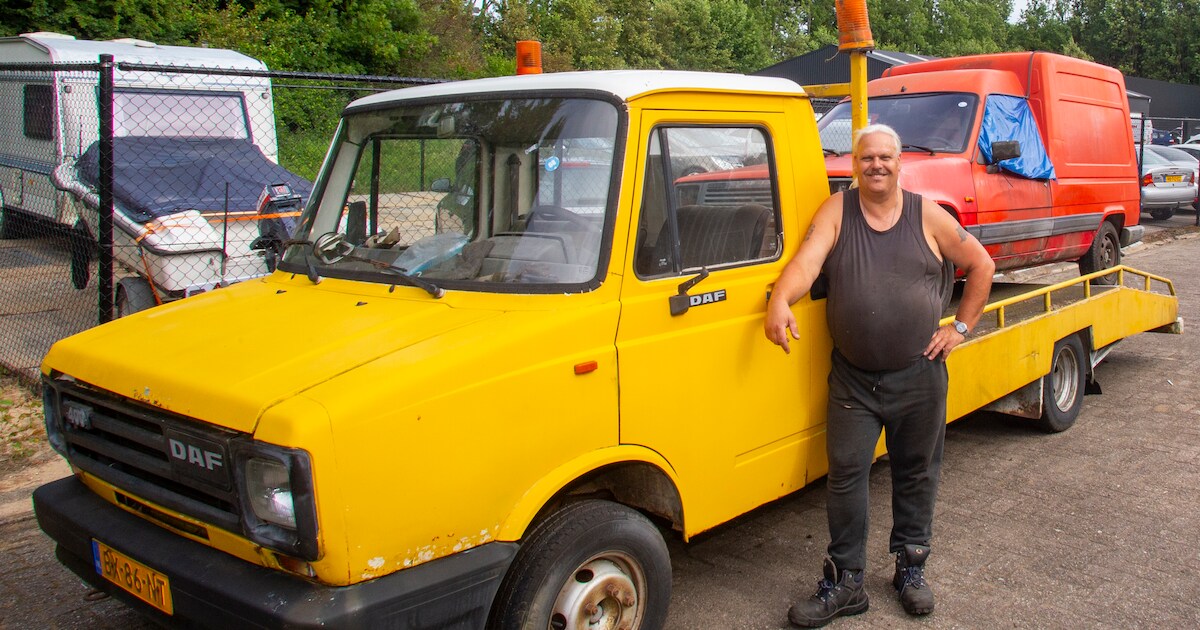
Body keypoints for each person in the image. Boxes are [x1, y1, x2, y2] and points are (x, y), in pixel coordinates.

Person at [764, 124, 994, 627]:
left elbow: (981, 264)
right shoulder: (837, 211)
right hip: (854, 382)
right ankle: (846, 581)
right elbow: (807, 262)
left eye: (885, 157)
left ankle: (910, 569)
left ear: (899, 162)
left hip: (920, 375)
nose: (877, 166)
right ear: (855, 165)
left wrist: (960, 327)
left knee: (917, 472)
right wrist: (781, 298)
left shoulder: (927, 215)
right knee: (846, 477)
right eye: (867, 158)